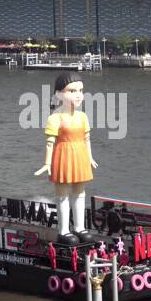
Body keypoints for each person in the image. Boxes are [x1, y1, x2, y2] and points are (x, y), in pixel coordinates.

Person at [35, 73, 99, 245]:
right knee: (62, 194)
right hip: (62, 155)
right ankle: (63, 230)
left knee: (80, 192)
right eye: (71, 90)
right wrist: (47, 163)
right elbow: (50, 142)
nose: (78, 94)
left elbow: (87, 139)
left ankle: (79, 227)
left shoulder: (83, 117)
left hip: (80, 155)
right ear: (58, 94)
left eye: (80, 90)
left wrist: (90, 157)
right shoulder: (55, 117)